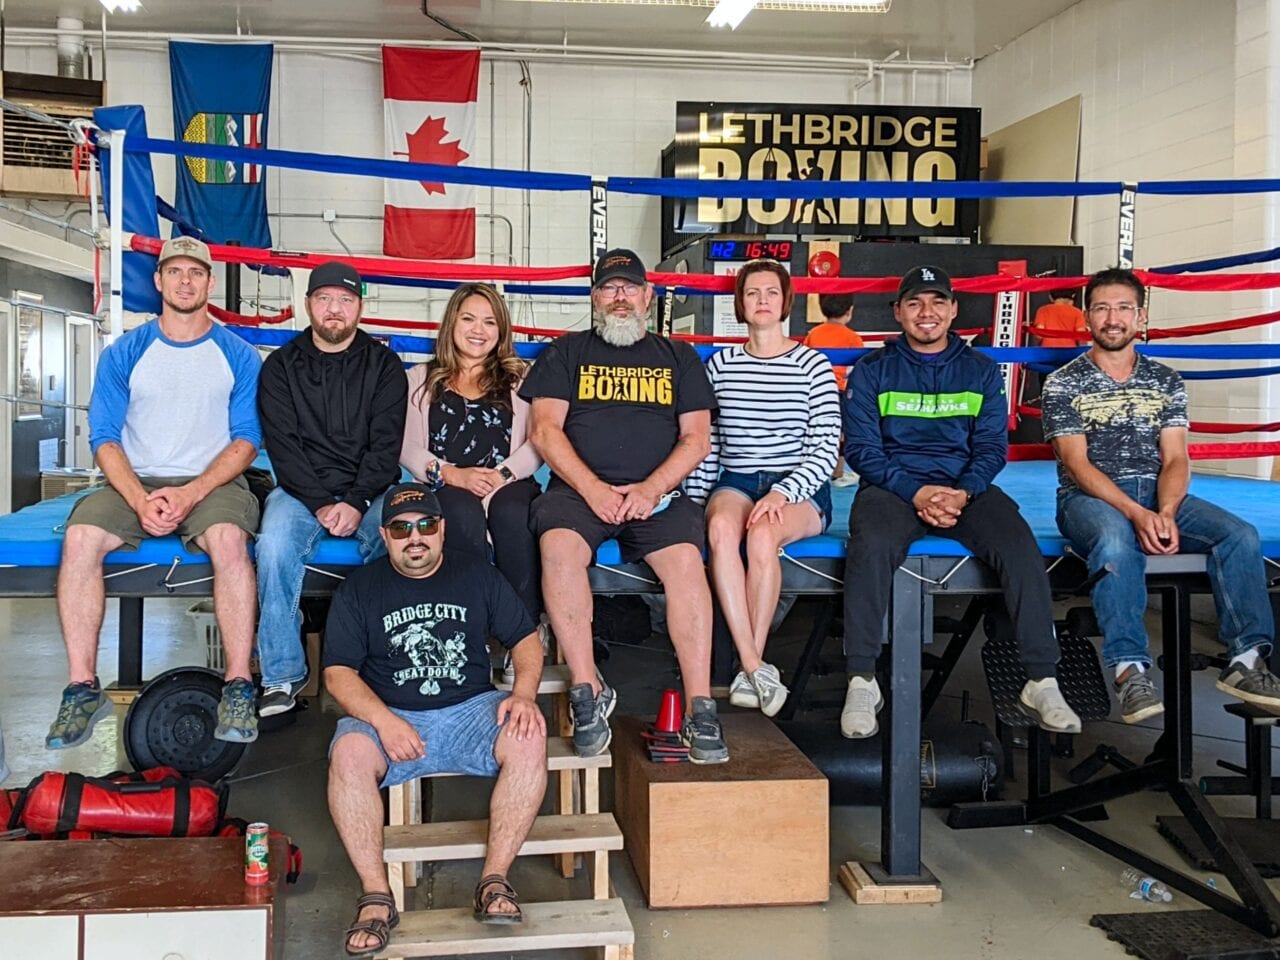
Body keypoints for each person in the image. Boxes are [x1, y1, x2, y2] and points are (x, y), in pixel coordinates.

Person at [840, 265, 1081, 739]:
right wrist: (916, 492)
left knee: (1018, 544)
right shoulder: (873, 371)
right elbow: (863, 450)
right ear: (898, 313)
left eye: (936, 302)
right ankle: (861, 678)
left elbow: (992, 446)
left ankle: (1042, 677)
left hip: (964, 487)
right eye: (914, 303)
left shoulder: (980, 370)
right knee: (869, 547)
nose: (926, 313)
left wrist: (962, 491)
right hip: (893, 488)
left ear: (952, 310)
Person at [47, 236, 263, 748]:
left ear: (210, 283)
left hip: (211, 480)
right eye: (175, 272)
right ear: (158, 280)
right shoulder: (125, 352)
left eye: (195, 273)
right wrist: (141, 499)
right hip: (133, 479)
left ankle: (238, 682)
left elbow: (247, 439)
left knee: (230, 541)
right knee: (80, 539)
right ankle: (81, 686)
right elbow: (104, 436)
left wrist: (190, 494)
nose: (185, 281)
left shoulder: (237, 354)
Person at [1043, 267, 1280, 722]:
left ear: (1140, 316)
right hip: (1088, 500)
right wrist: (1136, 513)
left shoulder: (1166, 380)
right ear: (1088, 318)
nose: (1113, 318)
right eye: (1102, 308)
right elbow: (1078, 464)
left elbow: (1175, 458)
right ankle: (1130, 671)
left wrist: (1167, 510)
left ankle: (1246, 662)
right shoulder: (1064, 383)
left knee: (1240, 536)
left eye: (1123, 308)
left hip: (1157, 493)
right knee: (1116, 543)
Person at [521, 248, 728, 764]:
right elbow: (544, 430)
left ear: (648, 297)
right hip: (578, 492)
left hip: (656, 495)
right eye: (610, 288)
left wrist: (651, 489)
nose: (620, 297)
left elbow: (696, 438)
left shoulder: (677, 356)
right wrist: (593, 489)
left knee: (685, 565)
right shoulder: (566, 352)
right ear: (595, 298)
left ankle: (702, 704)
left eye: (629, 288)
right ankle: (588, 690)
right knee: (559, 549)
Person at [324, 483, 546, 954]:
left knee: (528, 736)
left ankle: (494, 880)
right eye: (402, 529)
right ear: (385, 536)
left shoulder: (477, 575)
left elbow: (525, 639)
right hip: (393, 714)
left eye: (425, 525)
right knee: (348, 752)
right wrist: (383, 722)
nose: (415, 538)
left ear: (442, 529)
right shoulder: (360, 589)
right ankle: (376, 897)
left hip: (471, 711)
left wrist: (524, 694)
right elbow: (338, 674)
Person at [255, 261, 408, 717]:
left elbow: (387, 445)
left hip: (371, 490)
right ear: (307, 306)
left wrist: (358, 501)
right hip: (303, 494)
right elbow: (283, 448)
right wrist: (323, 503)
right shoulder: (281, 367)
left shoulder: (384, 365)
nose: (334, 310)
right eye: (324, 300)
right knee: (275, 545)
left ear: (360, 306)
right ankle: (282, 671)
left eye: (345, 300)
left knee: (400, 540)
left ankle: (385, 660)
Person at [689, 259, 840, 717]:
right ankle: (754, 666)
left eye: (770, 293)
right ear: (740, 303)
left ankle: (746, 666)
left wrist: (782, 493)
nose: (761, 301)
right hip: (735, 479)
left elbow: (826, 446)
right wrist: (695, 500)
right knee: (719, 533)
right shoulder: (721, 364)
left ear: (785, 301)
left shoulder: (812, 364)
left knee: (761, 535)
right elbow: (709, 443)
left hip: (797, 486)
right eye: (752, 293)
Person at [401, 283, 542, 624]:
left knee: (513, 512)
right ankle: (467, 629)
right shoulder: (420, 378)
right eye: (469, 319)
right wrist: (450, 474)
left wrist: (500, 477)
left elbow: (540, 441)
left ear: (501, 330)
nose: (478, 330)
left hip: (509, 480)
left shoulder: (522, 379)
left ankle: (524, 629)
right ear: (452, 323)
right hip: (444, 483)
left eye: (490, 322)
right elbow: (406, 446)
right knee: (459, 512)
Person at [804, 291, 865, 486]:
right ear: (850, 311)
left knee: (813, 428)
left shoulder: (814, 333)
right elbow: (860, 368)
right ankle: (838, 474)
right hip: (839, 389)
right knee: (841, 431)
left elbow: (804, 360)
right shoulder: (852, 337)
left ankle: (811, 470)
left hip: (814, 388)